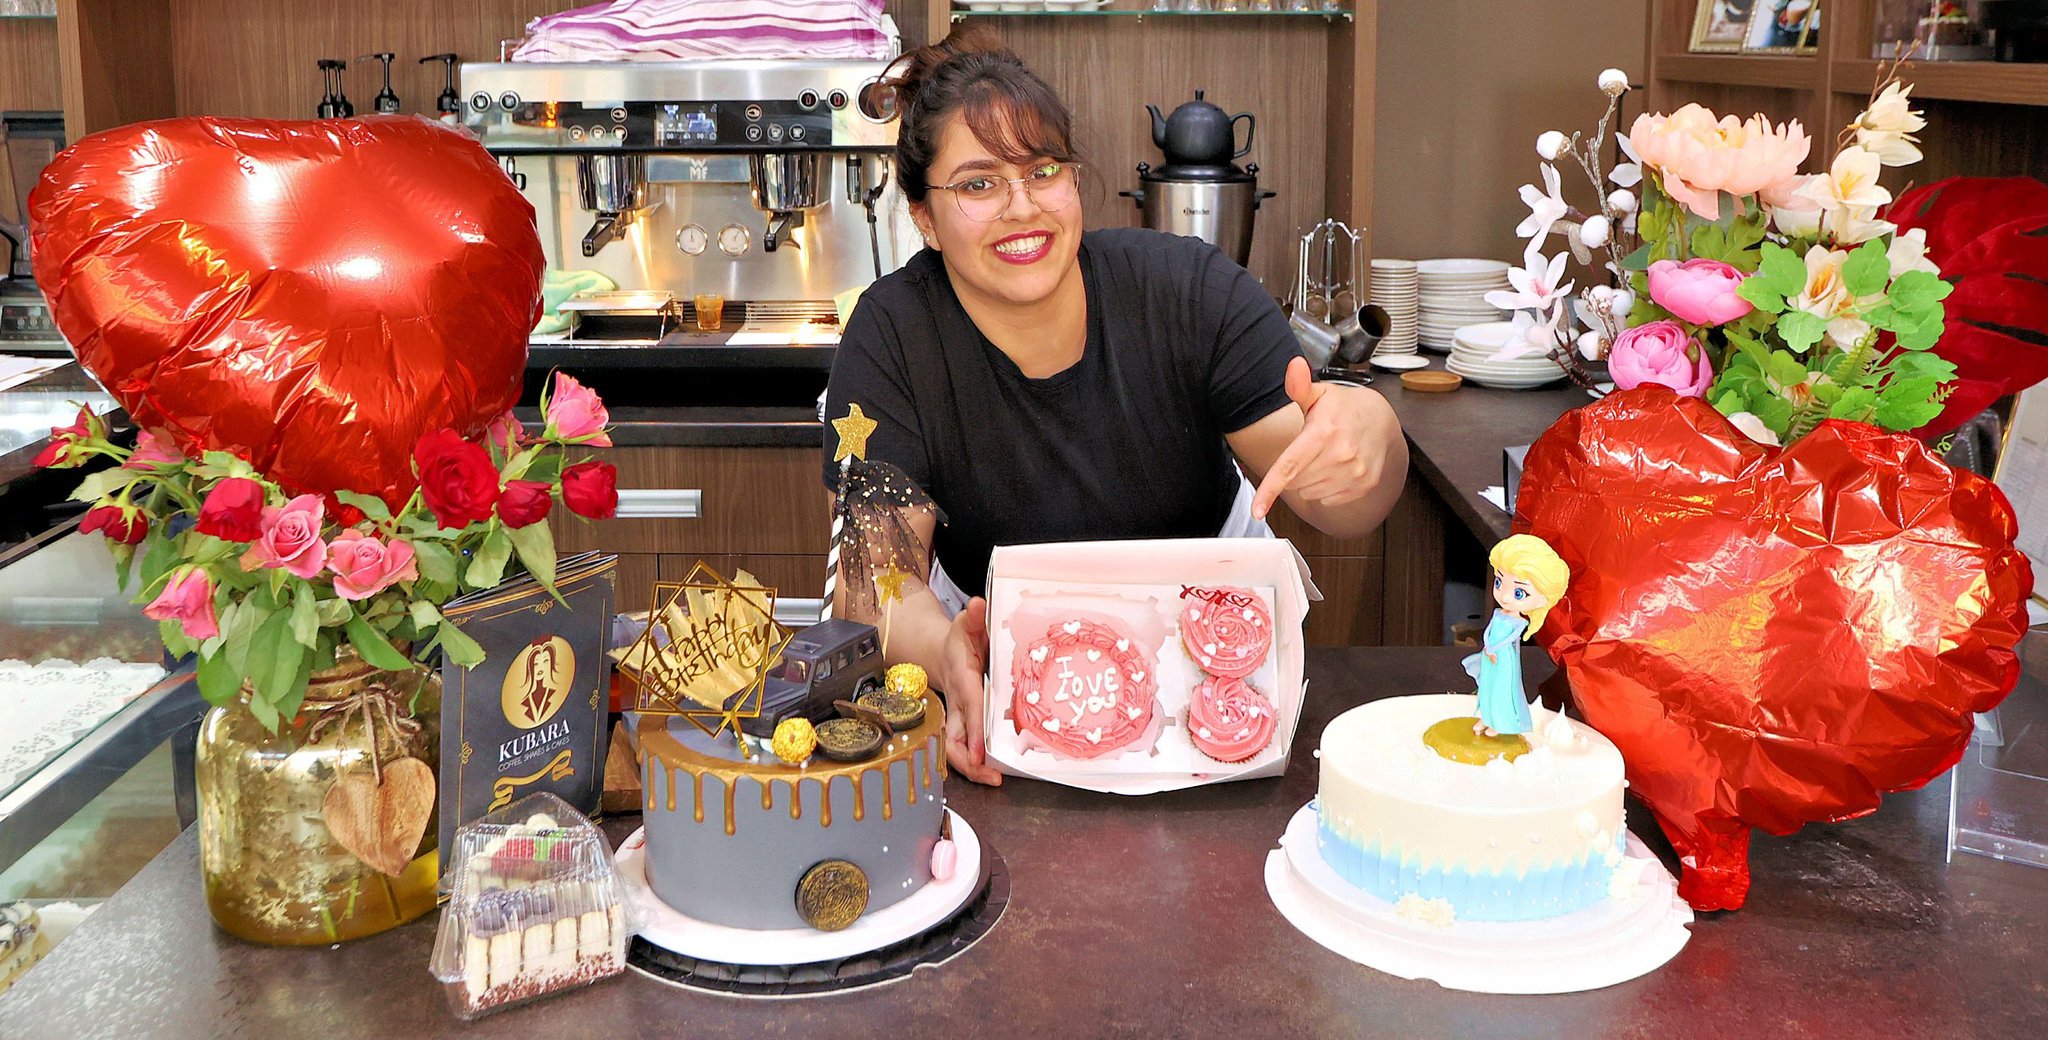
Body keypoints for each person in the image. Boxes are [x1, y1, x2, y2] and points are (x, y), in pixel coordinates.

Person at [823, 26, 1408, 784]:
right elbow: (874, 582)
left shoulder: (1187, 291)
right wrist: (945, 652)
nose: (1021, 207)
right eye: (977, 184)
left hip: (1214, 668)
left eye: (1043, 170)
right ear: (924, 217)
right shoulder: (893, 332)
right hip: (1004, 672)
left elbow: (1343, 501)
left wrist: (1371, 437)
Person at [1462, 535, 1570, 738]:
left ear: (1541, 600)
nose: (1504, 596)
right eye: (1499, 582)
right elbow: (1490, 632)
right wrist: (1487, 646)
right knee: (1487, 688)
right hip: (1490, 657)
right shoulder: (1500, 614)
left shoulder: (1518, 622)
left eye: (1519, 593)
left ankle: (1500, 722)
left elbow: (1507, 639)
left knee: (1502, 692)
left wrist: (1494, 649)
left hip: (1504, 662)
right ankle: (1486, 716)